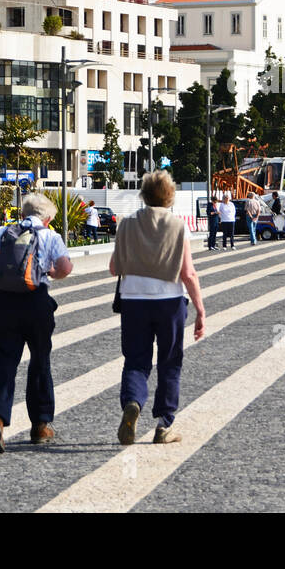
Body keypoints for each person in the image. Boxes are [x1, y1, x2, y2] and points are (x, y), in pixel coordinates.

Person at [0, 193, 73, 453]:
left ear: (24, 212)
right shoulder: (50, 236)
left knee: (5, 364)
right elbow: (65, 268)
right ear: (48, 219)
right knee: (40, 361)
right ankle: (41, 426)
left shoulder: (3, 232)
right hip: (36, 302)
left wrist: (4, 271)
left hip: (5, 303)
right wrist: (50, 272)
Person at [112, 170, 207, 445]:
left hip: (133, 301)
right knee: (169, 362)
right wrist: (201, 311)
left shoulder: (126, 225)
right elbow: (188, 273)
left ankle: (133, 402)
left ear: (143, 195)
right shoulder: (178, 226)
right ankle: (164, 424)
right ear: (170, 196)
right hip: (169, 302)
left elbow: (114, 268)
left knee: (135, 360)